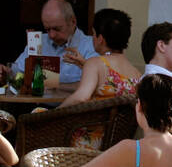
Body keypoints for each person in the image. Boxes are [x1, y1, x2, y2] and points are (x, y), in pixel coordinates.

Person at [57, 9, 140, 150]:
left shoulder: (95, 63)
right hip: (117, 144)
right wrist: (84, 65)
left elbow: (80, 97)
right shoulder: (137, 74)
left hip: (89, 141)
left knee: (38, 114)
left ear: (101, 39)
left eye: (94, 34)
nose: (92, 38)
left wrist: (53, 113)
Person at [0, 0, 96, 86]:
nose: (51, 35)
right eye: (47, 29)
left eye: (57, 29)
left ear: (73, 22)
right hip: (38, 107)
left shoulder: (90, 46)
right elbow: (19, 74)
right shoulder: (39, 41)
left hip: (75, 109)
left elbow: (95, 84)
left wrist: (53, 86)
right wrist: (5, 74)